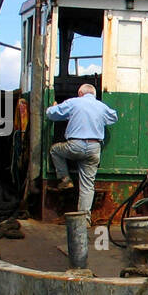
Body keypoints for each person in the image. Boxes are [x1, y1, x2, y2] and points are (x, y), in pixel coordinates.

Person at [47, 83, 117, 214]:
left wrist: (55, 107)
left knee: (55, 150)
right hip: (94, 148)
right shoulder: (101, 106)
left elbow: (51, 114)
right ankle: (84, 219)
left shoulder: (74, 102)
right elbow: (113, 117)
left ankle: (65, 179)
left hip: (75, 146)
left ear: (80, 94)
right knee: (87, 186)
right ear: (94, 95)